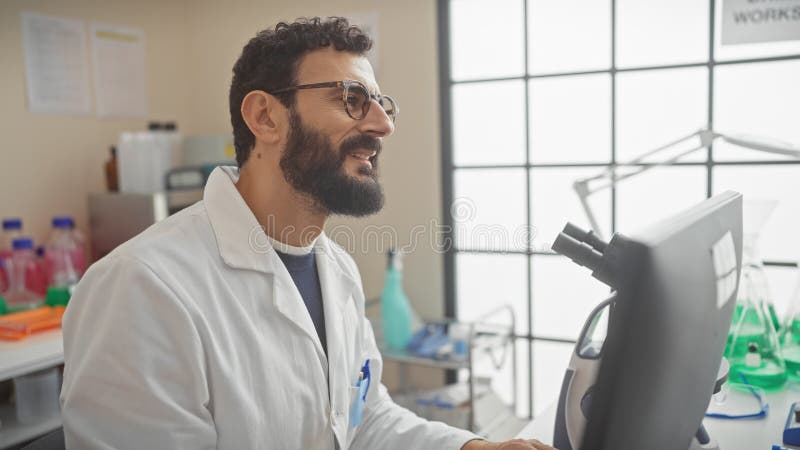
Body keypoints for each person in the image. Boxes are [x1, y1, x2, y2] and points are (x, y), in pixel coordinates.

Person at [60, 17, 556, 450]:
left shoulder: (335, 267)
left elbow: (362, 422)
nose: (383, 125)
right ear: (265, 117)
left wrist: (469, 446)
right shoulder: (140, 288)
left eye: (382, 104)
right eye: (352, 99)